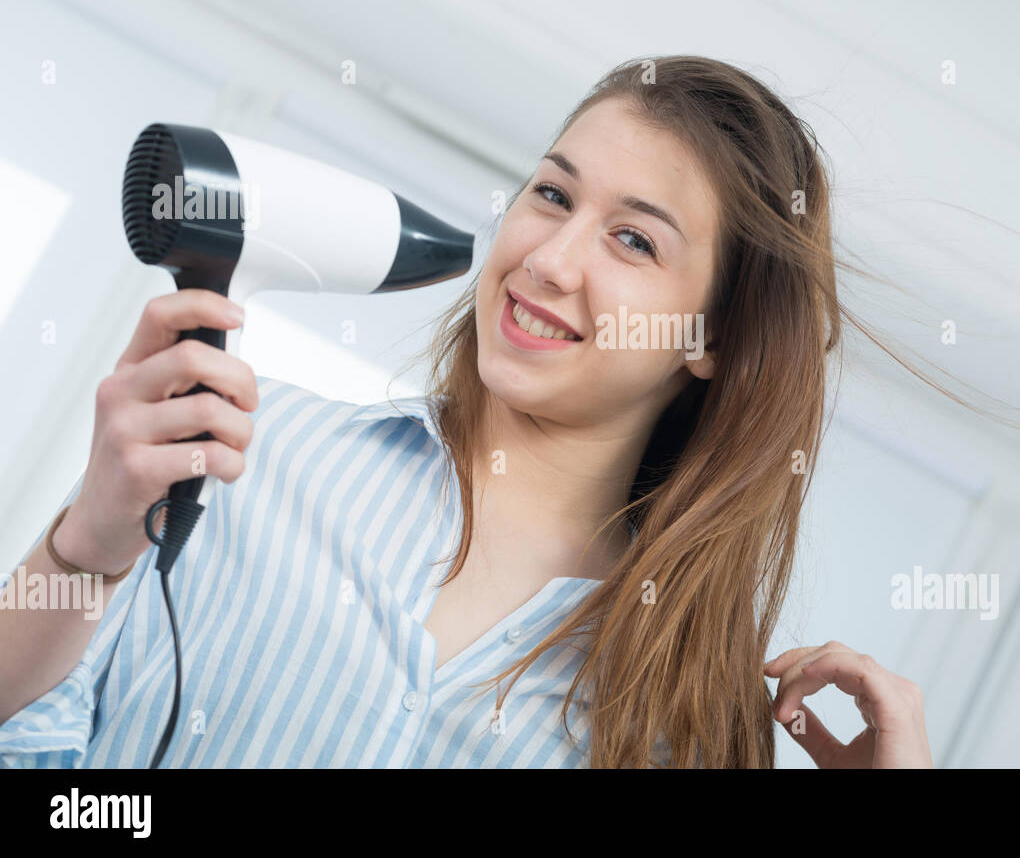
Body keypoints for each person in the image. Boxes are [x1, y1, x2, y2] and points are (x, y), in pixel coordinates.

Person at [0, 54, 934, 768]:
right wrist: (86, 546)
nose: (551, 258)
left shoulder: (686, 716)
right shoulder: (242, 451)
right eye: (553, 194)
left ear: (713, 336)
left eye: (633, 239)